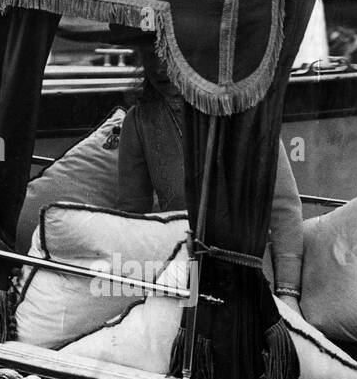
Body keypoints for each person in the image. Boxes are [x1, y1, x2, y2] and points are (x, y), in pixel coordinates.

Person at [115, 46, 304, 300]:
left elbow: (283, 209)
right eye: (150, 52)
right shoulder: (139, 122)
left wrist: (288, 293)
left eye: (170, 52)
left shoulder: (248, 112)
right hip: (181, 277)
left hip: (253, 278)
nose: (159, 66)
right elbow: (133, 217)